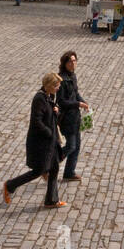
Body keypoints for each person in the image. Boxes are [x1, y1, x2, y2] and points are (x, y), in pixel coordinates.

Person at [3, 72, 66, 209]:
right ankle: (10, 185)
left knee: (54, 167)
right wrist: (50, 133)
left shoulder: (50, 96)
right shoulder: (39, 99)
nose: (58, 88)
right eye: (56, 85)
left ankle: (51, 200)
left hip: (51, 141)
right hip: (41, 143)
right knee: (39, 171)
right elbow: (37, 122)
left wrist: (56, 111)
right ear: (49, 85)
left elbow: (52, 116)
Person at [56, 51, 89, 181]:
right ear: (65, 63)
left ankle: (69, 173)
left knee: (77, 146)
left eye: (75, 61)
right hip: (66, 118)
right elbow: (62, 101)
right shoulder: (62, 79)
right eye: (70, 61)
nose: (73, 64)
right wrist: (78, 104)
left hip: (75, 117)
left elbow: (75, 93)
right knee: (71, 146)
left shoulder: (72, 76)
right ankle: (50, 165)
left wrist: (83, 101)